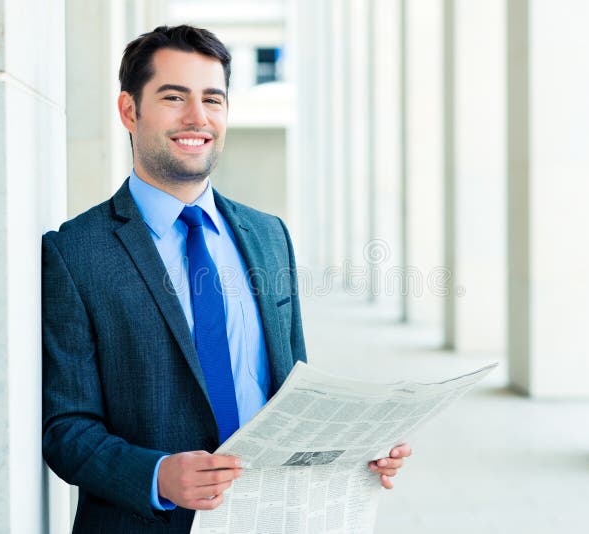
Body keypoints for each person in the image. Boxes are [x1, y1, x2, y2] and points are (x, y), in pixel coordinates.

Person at [42, 24, 411, 533]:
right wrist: (156, 475)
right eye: (174, 97)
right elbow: (65, 428)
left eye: (213, 99)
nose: (198, 118)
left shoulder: (268, 235)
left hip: (273, 519)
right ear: (130, 110)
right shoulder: (75, 252)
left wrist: (354, 451)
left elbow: (297, 395)